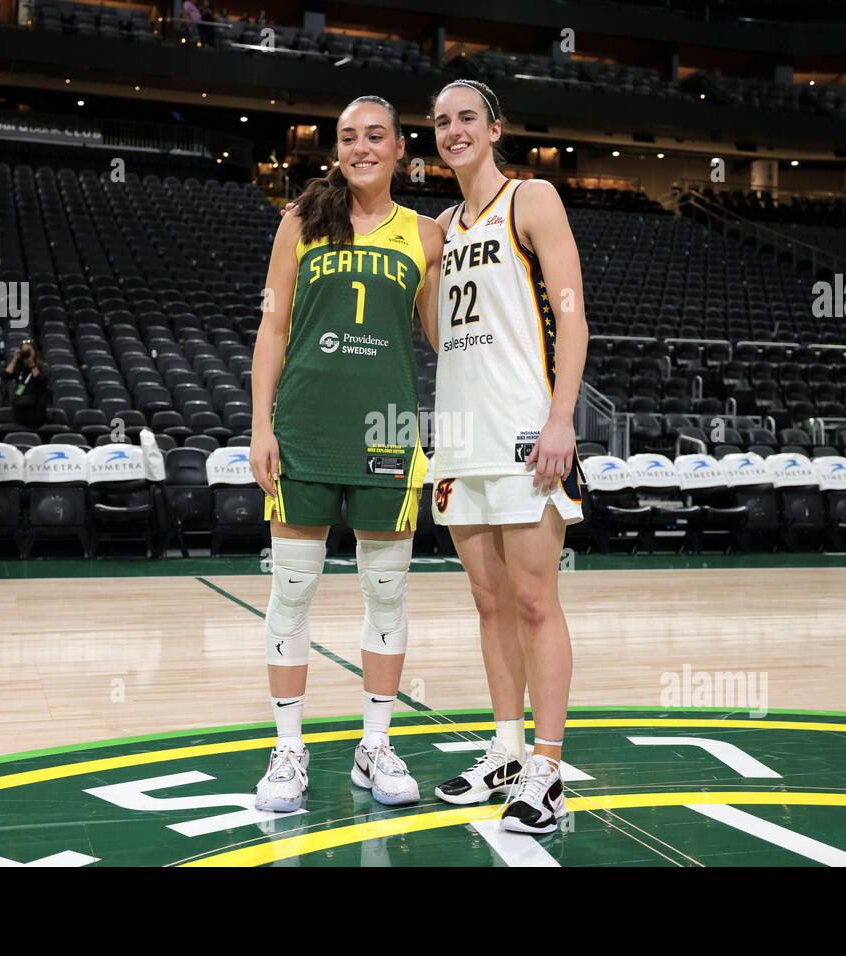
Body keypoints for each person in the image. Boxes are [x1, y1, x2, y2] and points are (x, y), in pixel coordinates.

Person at [248, 94, 444, 813]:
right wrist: (260, 426)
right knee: (292, 592)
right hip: (303, 427)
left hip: (388, 432)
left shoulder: (426, 236)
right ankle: (288, 750)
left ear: (399, 148)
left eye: (376, 137)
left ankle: (375, 743)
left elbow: (442, 343)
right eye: (348, 137)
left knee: (386, 594)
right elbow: (271, 330)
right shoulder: (299, 221)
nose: (361, 147)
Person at [425, 80, 589, 835]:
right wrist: (426, 264)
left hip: (527, 431)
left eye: (466, 118)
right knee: (489, 604)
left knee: (533, 600)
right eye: (440, 122)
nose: (453, 130)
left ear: (494, 128)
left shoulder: (533, 199)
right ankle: (506, 750)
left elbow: (572, 314)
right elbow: (439, 336)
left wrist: (562, 419)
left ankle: (549, 770)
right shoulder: (441, 226)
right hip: (460, 436)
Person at [1, 339, 49, 432]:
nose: (26, 354)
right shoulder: (20, 367)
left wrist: (32, 365)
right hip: (19, 406)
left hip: (35, 408)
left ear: (34, 351)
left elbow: (42, 381)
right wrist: (15, 359)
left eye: (28, 351)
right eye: (24, 351)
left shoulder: (42, 366)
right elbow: (6, 375)